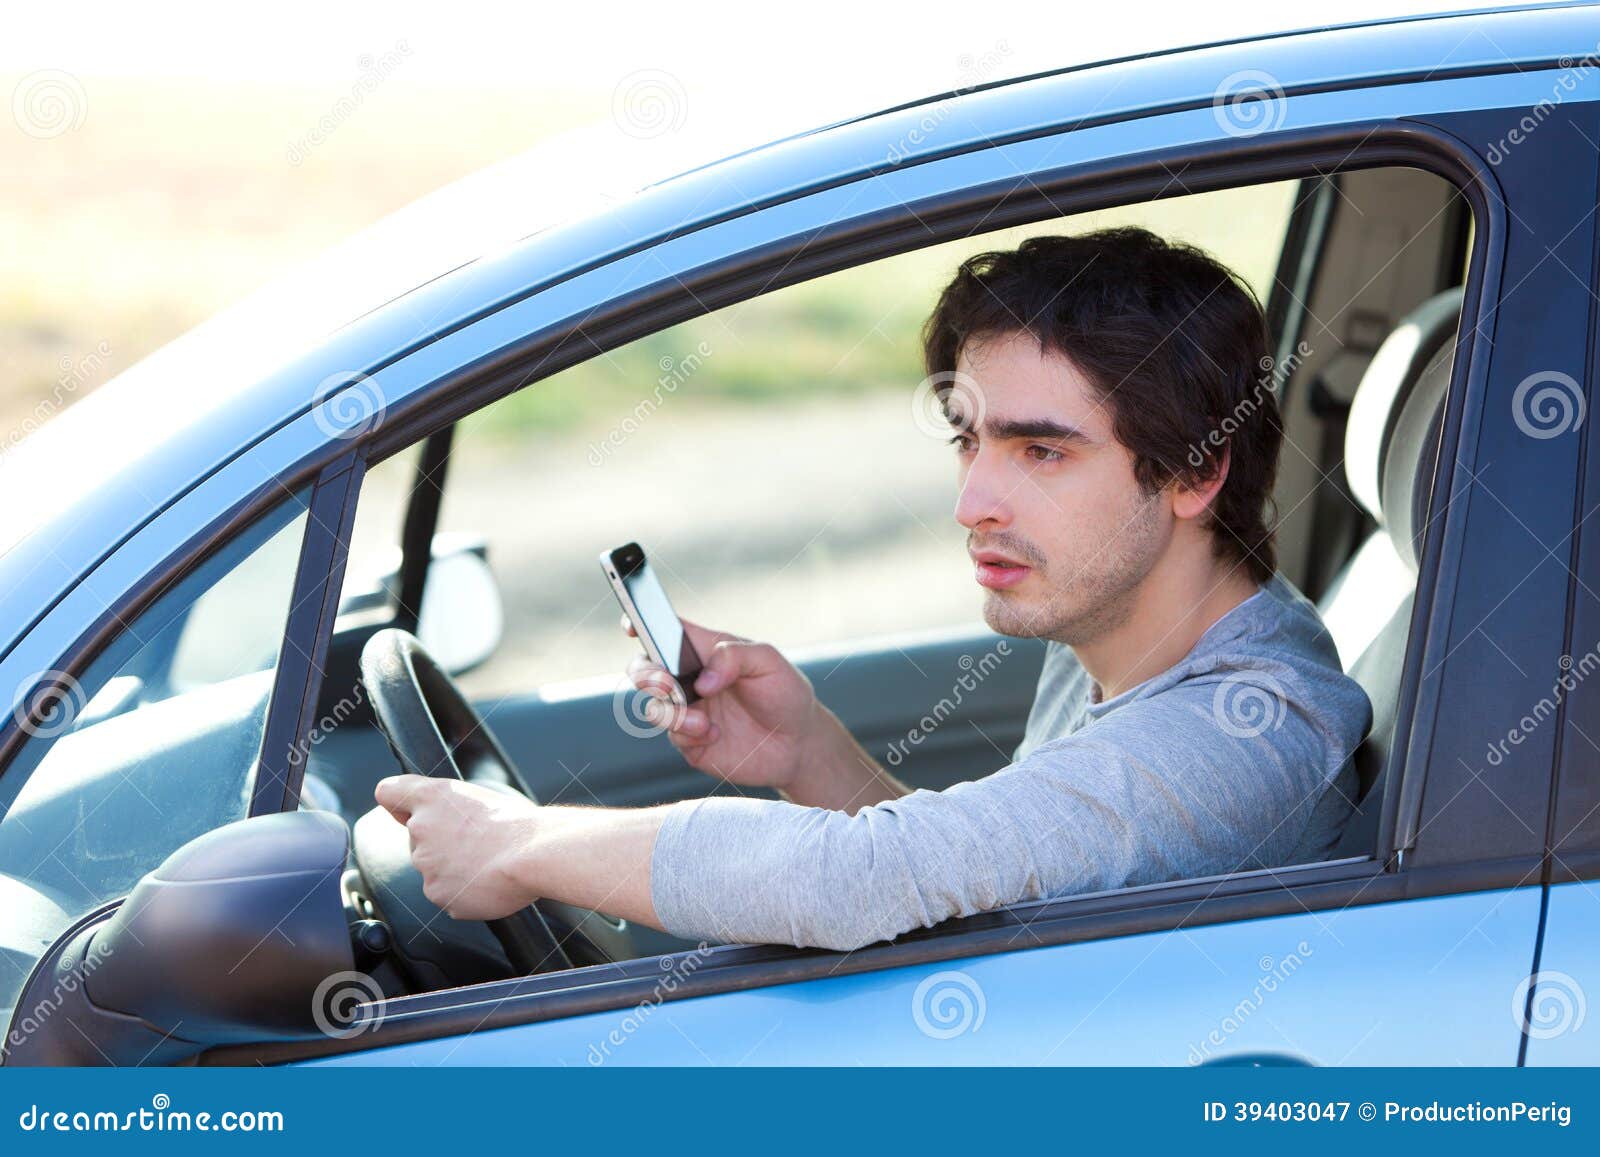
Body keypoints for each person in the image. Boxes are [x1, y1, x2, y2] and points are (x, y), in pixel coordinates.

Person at [375, 226, 1372, 954]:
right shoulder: (1132, 632)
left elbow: (860, 881)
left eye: (1041, 451)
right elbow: (954, 884)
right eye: (969, 439)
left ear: (1196, 472)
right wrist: (802, 747)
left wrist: (519, 841)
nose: (971, 500)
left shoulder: (1242, 728)